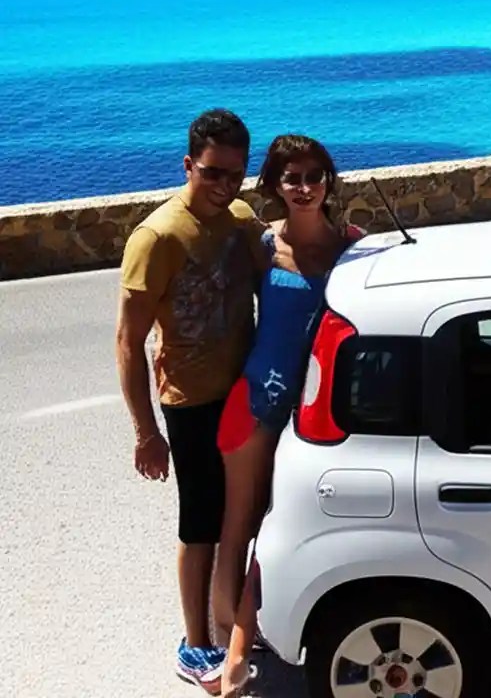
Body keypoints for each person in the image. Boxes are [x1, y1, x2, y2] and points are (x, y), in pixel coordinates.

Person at [115, 108, 266, 691]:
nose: (225, 187)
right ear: (187, 165)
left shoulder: (241, 219)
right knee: (200, 523)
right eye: (212, 174)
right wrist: (145, 431)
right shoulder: (156, 237)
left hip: (244, 393)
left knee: (246, 513)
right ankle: (195, 644)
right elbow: (128, 342)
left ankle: (233, 616)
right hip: (191, 402)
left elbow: (277, 262)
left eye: (236, 175)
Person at [210, 134, 365, 696]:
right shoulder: (261, 245)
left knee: (282, 525)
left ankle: (240, 645)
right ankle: (229, 641)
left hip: (316, 410)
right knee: (240, 524)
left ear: (329, 181)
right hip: (252, 403)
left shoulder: (354, 246)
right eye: (292, 178)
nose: (304, 188)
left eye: (314, 176)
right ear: (275, 185)